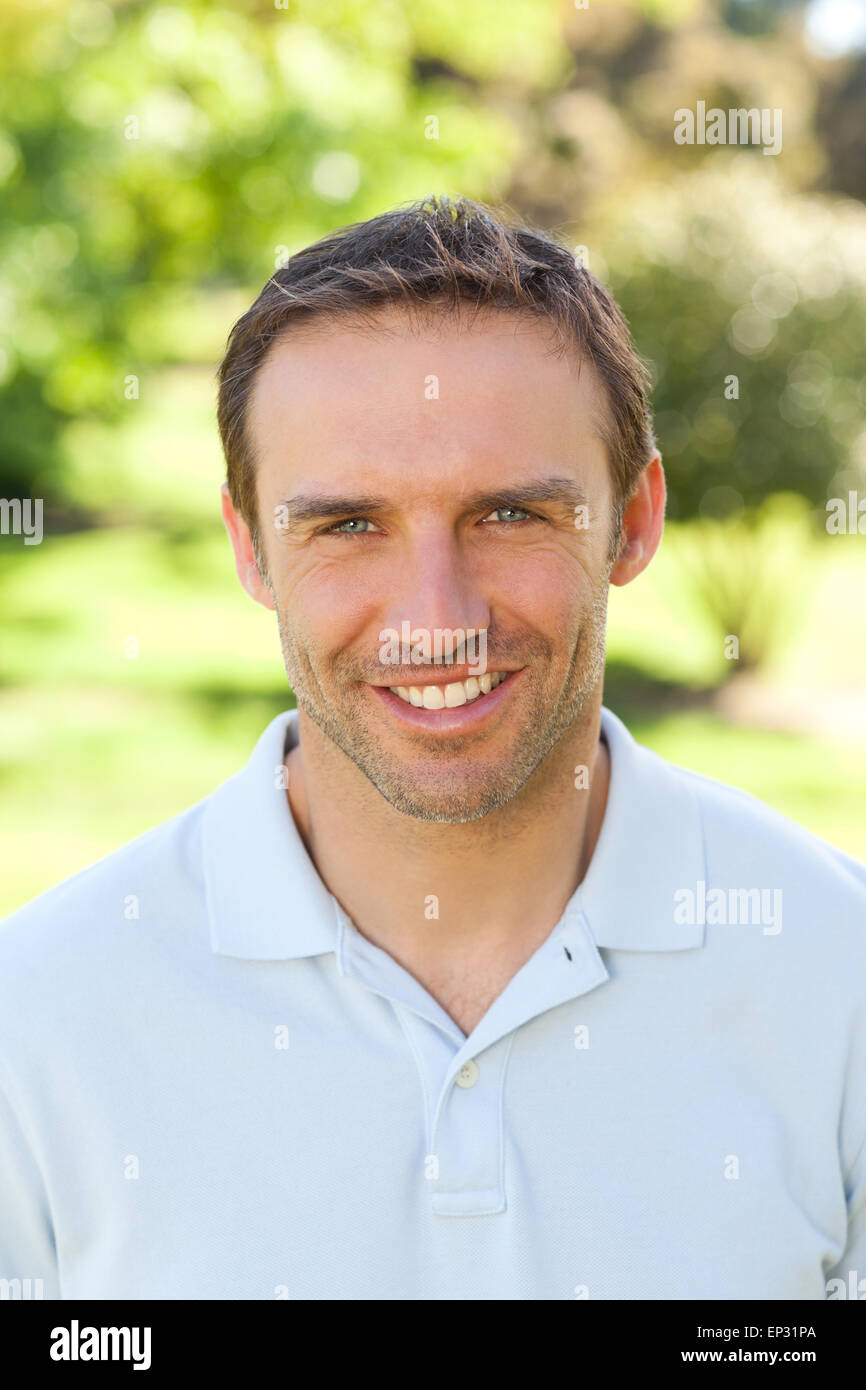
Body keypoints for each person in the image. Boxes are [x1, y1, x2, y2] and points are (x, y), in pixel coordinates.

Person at [1, 196, 863, 1301]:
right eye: (348, 525)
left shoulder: (837, 980)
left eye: (507, 515)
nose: (433, 616)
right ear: (250, 548)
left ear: (633, 520)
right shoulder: (35, 1023)